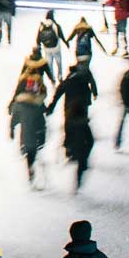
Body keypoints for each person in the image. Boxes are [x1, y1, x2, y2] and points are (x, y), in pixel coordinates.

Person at [47, 62, 99, 192]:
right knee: (85, 137)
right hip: (79, 112)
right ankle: (78, 156)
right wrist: (92, 95)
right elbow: (88, 89)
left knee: (70, 131)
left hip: (70, 111)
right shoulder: (81, 79)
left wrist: (51, 107)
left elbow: (59, 91)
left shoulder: (71, 79)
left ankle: (70, 151)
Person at [9, 81, 48, 189]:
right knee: (32, 154)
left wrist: (11, 130)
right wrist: (42, 138)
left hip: (24, 138)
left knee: (28, 154)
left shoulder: (19, 105)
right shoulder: (37, 105)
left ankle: (30, 169)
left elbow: (14, 119)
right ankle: (30, 170)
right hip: (35, 137)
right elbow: (42, 124)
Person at [35, 11, 67, 80]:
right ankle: (60, 75)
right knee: (59, 62)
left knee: (49, 63)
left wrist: (38, 46)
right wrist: (66, 43)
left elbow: (38, 38)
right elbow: (61, 36)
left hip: (47, 48)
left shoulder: (42, 25)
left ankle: (52, 77)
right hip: (56, 48)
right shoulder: (55, 25)